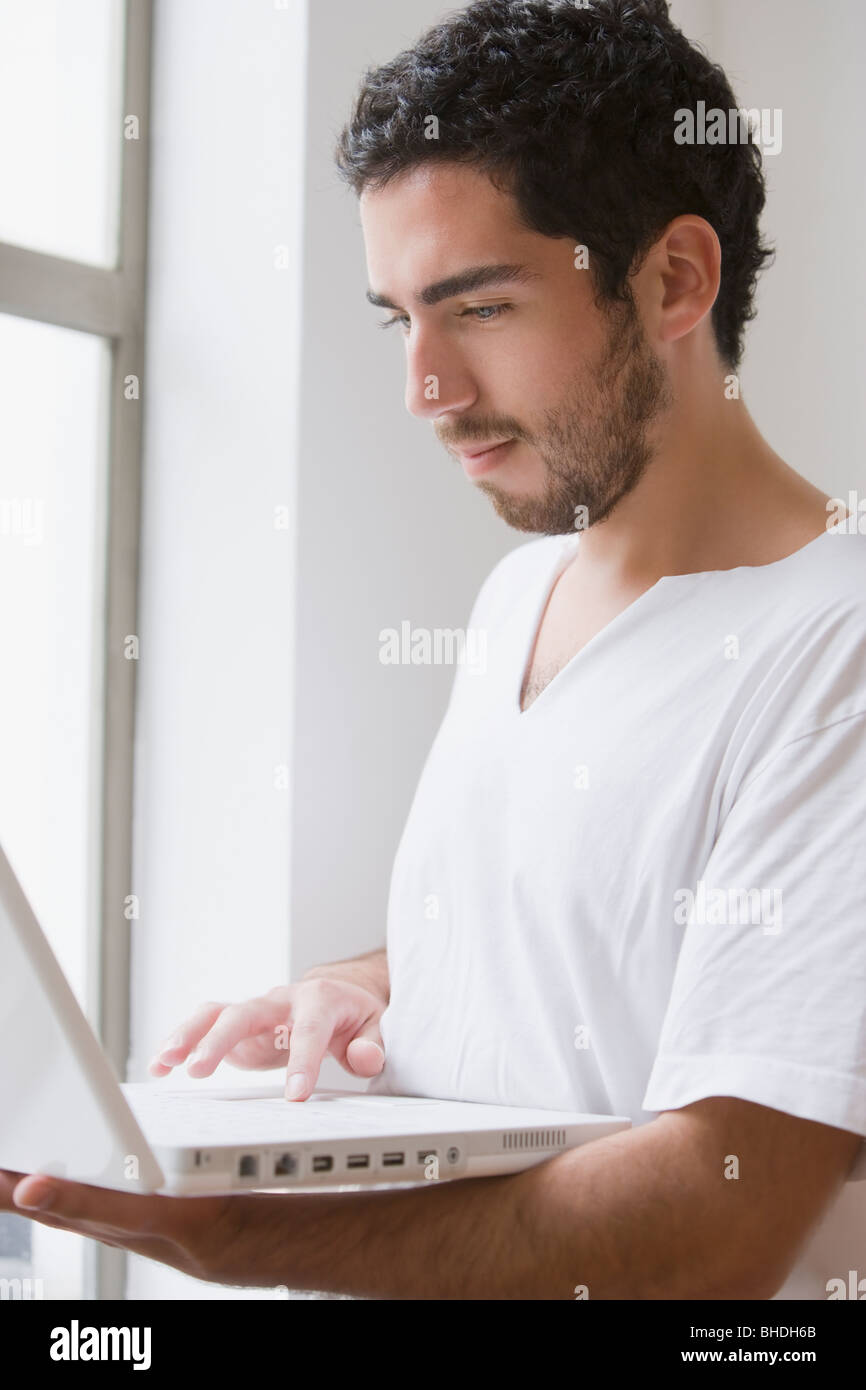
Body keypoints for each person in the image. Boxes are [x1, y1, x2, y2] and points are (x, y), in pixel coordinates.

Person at [4, 0, 865, 1300]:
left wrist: (250, 1241)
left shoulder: (834, 643)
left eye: (477, 304)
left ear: (676, 278)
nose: (424, 385)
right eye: (396, 316)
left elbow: (715, 1215)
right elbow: (614, 921)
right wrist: (368, 986)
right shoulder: (516, 598)